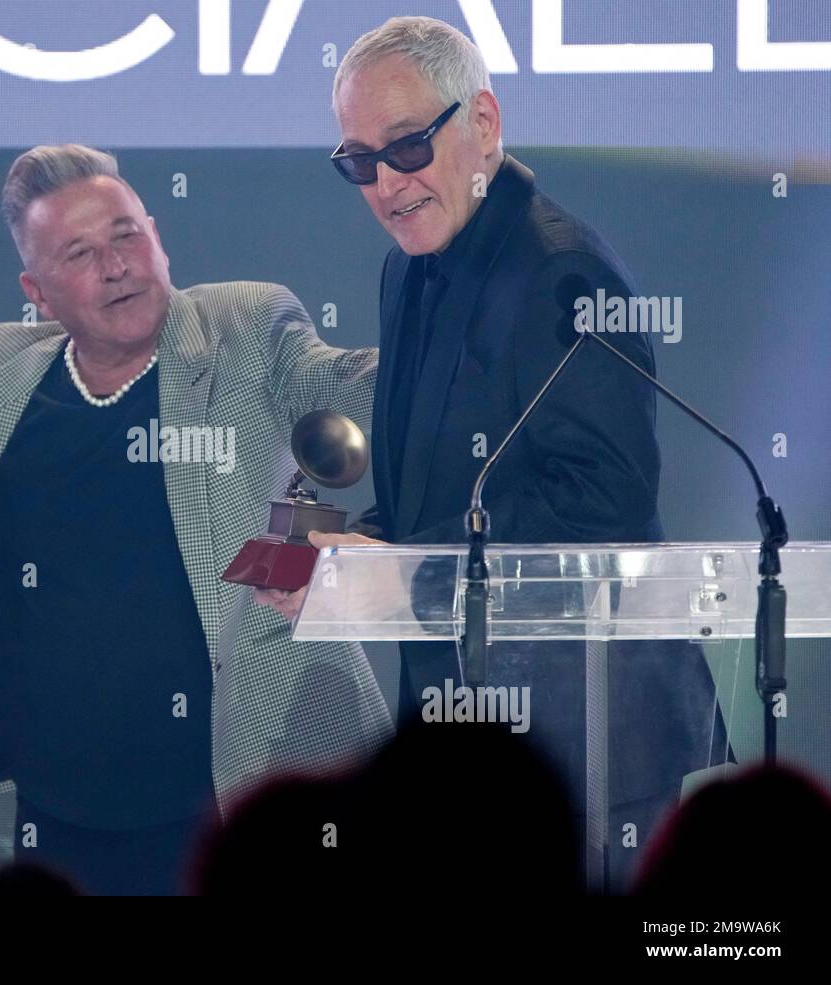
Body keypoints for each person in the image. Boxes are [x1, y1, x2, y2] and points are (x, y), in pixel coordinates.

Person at [256, 16, 728, 890]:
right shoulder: (409, 266)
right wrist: (342, 562)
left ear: (483, 123)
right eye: (358, 162)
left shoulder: (562, 272)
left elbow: (605, 503)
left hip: (589, 738)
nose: (384, 186)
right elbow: (432, 491)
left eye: (404, 148)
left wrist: (401, 564)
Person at [0, 144, 393, 894]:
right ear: (36, 292)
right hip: (59, 814)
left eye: (126, 234)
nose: (116, 265)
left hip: (251, 786)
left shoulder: (246, 329)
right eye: (79, 252)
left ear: (159, 236)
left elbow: (357, 391)